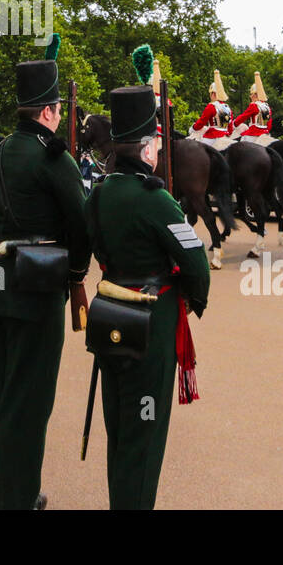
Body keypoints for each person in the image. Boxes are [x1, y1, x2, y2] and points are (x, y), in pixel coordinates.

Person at [85, 84, 210, 509]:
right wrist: (192, 301)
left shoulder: (99, 191)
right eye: (156, 141)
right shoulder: (154, 198)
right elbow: (195, 264)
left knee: (120, 429)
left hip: (109, 317)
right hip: (149, 325)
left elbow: (92, 246)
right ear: (148, 148)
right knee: (144, 432)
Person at [0, 34, 90, 510]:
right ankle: (18, 498)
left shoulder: (1, 150)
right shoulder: (53, 156)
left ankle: (13, 490)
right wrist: (78, 274)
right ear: (47, 111)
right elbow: (81, 225)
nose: (61, 117)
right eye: (58, 110)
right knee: (31, 400)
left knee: (7, 394)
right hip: (38, 287)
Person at [190, 71, 234, 148]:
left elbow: (201, 122)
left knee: (199, 149)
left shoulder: (211, 106)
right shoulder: (227, 107)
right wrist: (228, 134)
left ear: (213, 94)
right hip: (225, 135)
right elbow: (230, 127)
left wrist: (193, 128)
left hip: (213, 137)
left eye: (210, 94)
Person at [231, 71, 274, 144]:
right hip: (265, 134)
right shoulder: (267, 107)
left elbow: (243, 117)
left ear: (256, 95)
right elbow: (269, 124)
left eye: (251, 94)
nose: (250, 96)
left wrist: (234, 124)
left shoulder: (254, 105)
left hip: (253, 135)